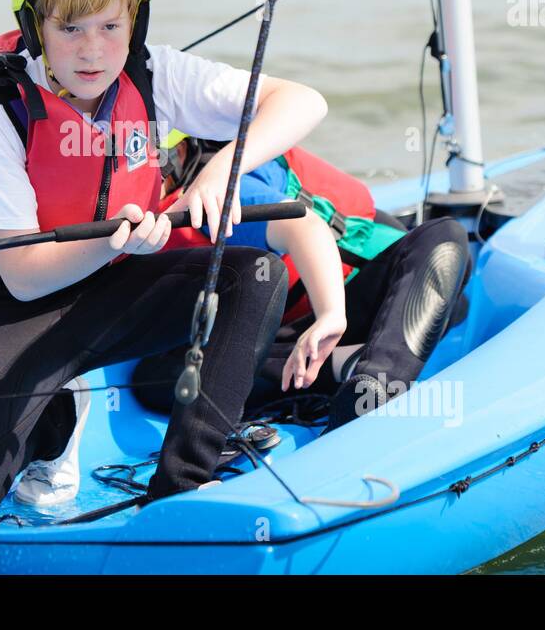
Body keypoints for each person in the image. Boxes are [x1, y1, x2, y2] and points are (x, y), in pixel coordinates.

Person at [0, 0, 329, 519]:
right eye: (69, 27)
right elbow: (23, 274)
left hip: (123, 284)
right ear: (35, 29)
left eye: (111, 26)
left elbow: (303, 100)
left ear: (136, 24)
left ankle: (181, 487)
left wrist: (222, 170)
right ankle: (55, 420)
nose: (93, 49)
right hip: (17, 300)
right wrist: (108, 241)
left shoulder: (153, 71)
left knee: (255, 275)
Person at [134, 136, 471, 427]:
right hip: (293, 338)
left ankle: (380, 382)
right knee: (157, 378)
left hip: (360, 303)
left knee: (446, 236)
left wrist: (330, 314)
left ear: (176, 154)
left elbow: (303, 227)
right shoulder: (142, 217)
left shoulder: (219, 195)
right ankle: (345, 365)